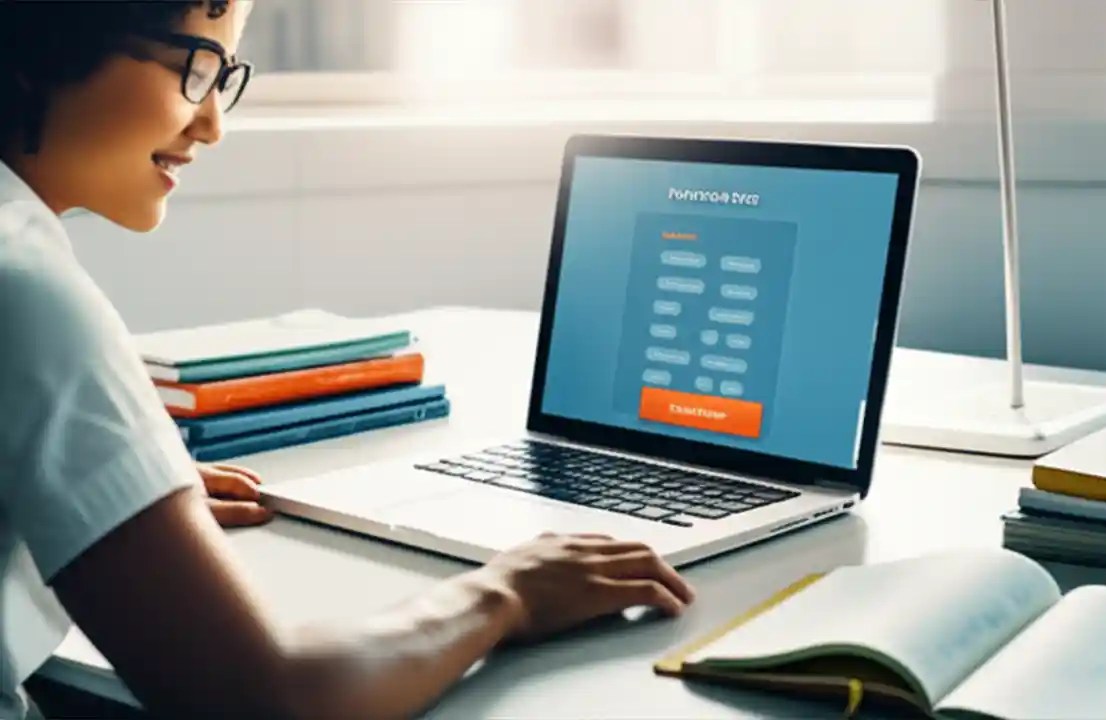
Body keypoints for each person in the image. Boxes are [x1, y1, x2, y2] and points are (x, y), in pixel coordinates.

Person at [0, 2, 696, 718]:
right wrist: (509, 593)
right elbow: (267, 696)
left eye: (223, 77)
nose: (212, 124)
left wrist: (107, 500)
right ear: (50, 36)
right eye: (194, 67)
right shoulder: (27, 290)